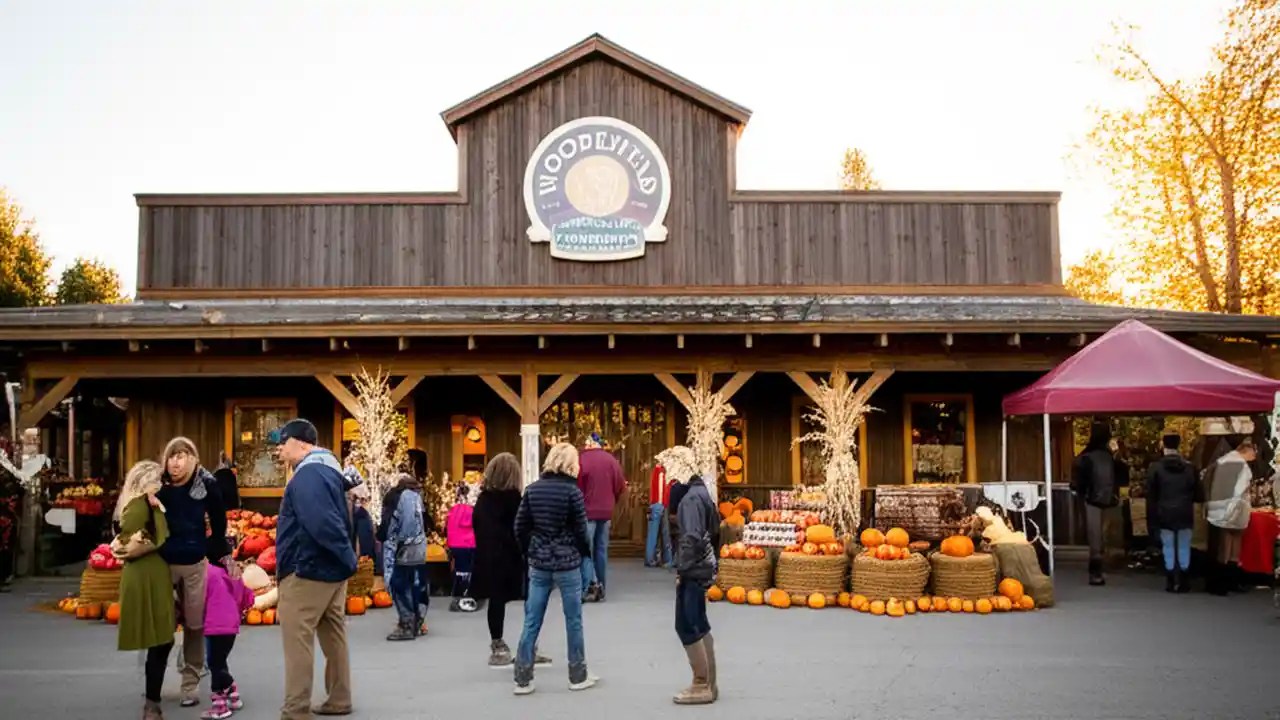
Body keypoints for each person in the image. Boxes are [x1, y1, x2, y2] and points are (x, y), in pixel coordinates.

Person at [273, 419, 358, 719]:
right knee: (333, 633)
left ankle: (295, 710)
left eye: (284, 441)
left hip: (306, 569)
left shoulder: (307, 475)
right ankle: (339, 697)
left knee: (297, 639)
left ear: (304, 444)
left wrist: (347, 556)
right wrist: (346, 560)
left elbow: (322, 522)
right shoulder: (330, 470)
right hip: (331, 570)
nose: (279, 447)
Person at [513, 442, 597, 696]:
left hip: (539, 563)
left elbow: (520, 526)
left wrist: (530, 550)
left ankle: (523, 678)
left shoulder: (532, 490)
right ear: (571, 464)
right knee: (573, 620)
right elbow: (582, 531)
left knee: (531, 620)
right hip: (567, 563)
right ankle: (577, 674)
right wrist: (583, 555)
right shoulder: (573, 493)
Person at [156, 437, 228, 707]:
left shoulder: (205, 485)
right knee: (162, 624)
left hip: (195, 563)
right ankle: (155, 683)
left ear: (193, 458)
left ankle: (190, 683)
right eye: (172, 456)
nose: (176, 462)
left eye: (182, 455)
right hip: (163, 563)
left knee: (195, 625)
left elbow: (220, 522)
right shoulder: (158, 486)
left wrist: (214, 550)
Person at [111, 460, 175, 720]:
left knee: (158, 639)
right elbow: (150, 536)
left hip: (145, 573)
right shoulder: (140, 506)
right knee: (161, 639)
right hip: (148, 573)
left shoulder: (134, 503)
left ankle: (152, 701)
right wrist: (157, 509)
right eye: (158, 481)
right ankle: (152, 704)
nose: (162, 486)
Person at [658, 446, 719, 705]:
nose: (668, 473)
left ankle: (701, 683)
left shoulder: (690, 499)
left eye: (670, 467)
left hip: (693, 568)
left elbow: (692, 537)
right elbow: (715, 530)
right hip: (703, 565)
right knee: (698, 621)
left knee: (687, 623)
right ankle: (709, 682)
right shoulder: (701, 492)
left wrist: (681, 568)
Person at [471, 453, 526, 668]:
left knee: (496, 601)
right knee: (531, 599)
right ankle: (530, 643)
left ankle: (497, 643)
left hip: (489, 556)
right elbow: (522, 528)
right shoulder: (515, 500)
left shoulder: (484, 500)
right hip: (512, 556)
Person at [1145, 433, 1202, 593]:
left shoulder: (1155, 468)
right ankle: (1184, 580)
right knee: (1184, 545)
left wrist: (1151, 518)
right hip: (1185, 511)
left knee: (1168, 545)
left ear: (1164, 445)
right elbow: (1198, 494)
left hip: (1164, 512)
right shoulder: (1190, 468)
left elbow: (1151, 495)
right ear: (1179, 445)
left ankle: (1170, 580)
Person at [200, 556, 255, 719]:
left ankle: (220, 705)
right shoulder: (233, 573)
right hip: (231, 625)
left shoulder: (207, 573)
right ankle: (232, 693)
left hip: (214, 624)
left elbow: (199, 599)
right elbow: (247, 597)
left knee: (214, 664)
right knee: (220, 660)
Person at [576, 433, 626, 601]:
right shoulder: (612, 461)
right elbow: (620, 485)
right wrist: (612, 501)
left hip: (586, 511)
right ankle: (602, 585)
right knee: (601, 549)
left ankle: (589, 585)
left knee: (585, 550)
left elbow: (577, 487)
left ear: (588, 443)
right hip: (605, 512)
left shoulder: (581, 460)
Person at [1205, 437, 1256, 596]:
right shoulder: (1243, 467)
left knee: (1223, 545)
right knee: (1233, 545)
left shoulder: (1220, 462)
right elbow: (1240, 490)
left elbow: (1207, 482)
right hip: (1234, 508)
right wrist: (1234, 510)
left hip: (1215, 506)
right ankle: (1229, 581)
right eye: (1254, 453)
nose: (1254, 457)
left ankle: (1218, 583)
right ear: (1246, 450)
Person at [1071, 423, 1119, 586]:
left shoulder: (1086, 456)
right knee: (1104, 535)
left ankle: (1095, 572)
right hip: (1109, 499)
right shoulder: (1110, 457)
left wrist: (1079, 493)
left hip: (1091, 499)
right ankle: (1103, 567)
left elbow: (1080, 481)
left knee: (1094, 536)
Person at [384, 472, 431, 640]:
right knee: (416, 584)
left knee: (400, 584)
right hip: (418, 547)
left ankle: (407, 623)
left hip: (407, 548)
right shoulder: (417, 496)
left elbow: (408, 522)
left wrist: (402, 541)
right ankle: (417, 620)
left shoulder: (405, 496)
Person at [446, 483, 478, 612]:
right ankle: (468, 594)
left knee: (459, 570)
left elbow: (448, 527)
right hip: (470, 543)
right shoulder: (472, 511)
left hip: (456, 544)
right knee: (469, 570)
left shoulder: (452, 511)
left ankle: (457, 595)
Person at [646, 462, 673, 568]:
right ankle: (667, 559)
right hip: (661, 505)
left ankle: (650, 559)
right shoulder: (662, 472)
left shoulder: (655, 471)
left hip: (655, 505)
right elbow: (662, 490)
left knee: (652, 535)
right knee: (665, 533)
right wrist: (662, 503)